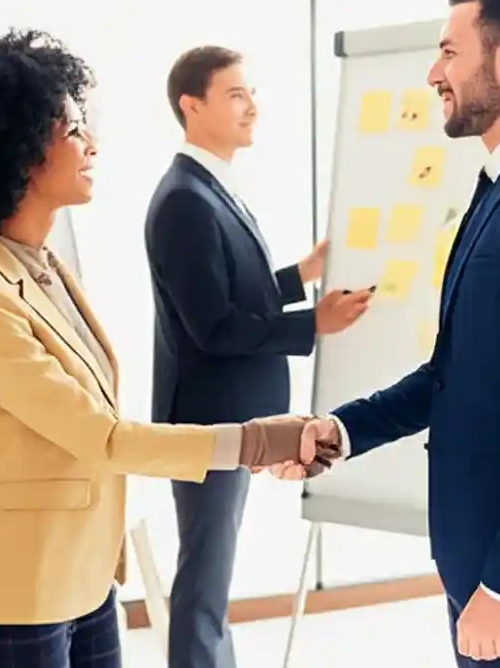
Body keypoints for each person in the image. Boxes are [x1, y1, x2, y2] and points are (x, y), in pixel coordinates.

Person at [0, 29, 330, 668]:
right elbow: (101, 436)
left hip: (89, 583)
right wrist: (259, 440)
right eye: (72, 131)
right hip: (19, 599)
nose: (92, 144)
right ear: (15, 152)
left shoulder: (45, 268)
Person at [275, 0, 500, 668]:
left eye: (448, 51)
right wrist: (342, 431)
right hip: (482, 553)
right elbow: (454, 372)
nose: (434, 72)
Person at [145, 45, 371, 667]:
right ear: (193, 106)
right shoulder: (186, 199)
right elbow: (214, 327)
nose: (252, 107)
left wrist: (301, 275)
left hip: (228, 417)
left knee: (213, 571)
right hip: (209, 421)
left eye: (251, 93)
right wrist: (312, 325)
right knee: (205, 575)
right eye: (235, 95)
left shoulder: (209, 187)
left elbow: (231, 295)